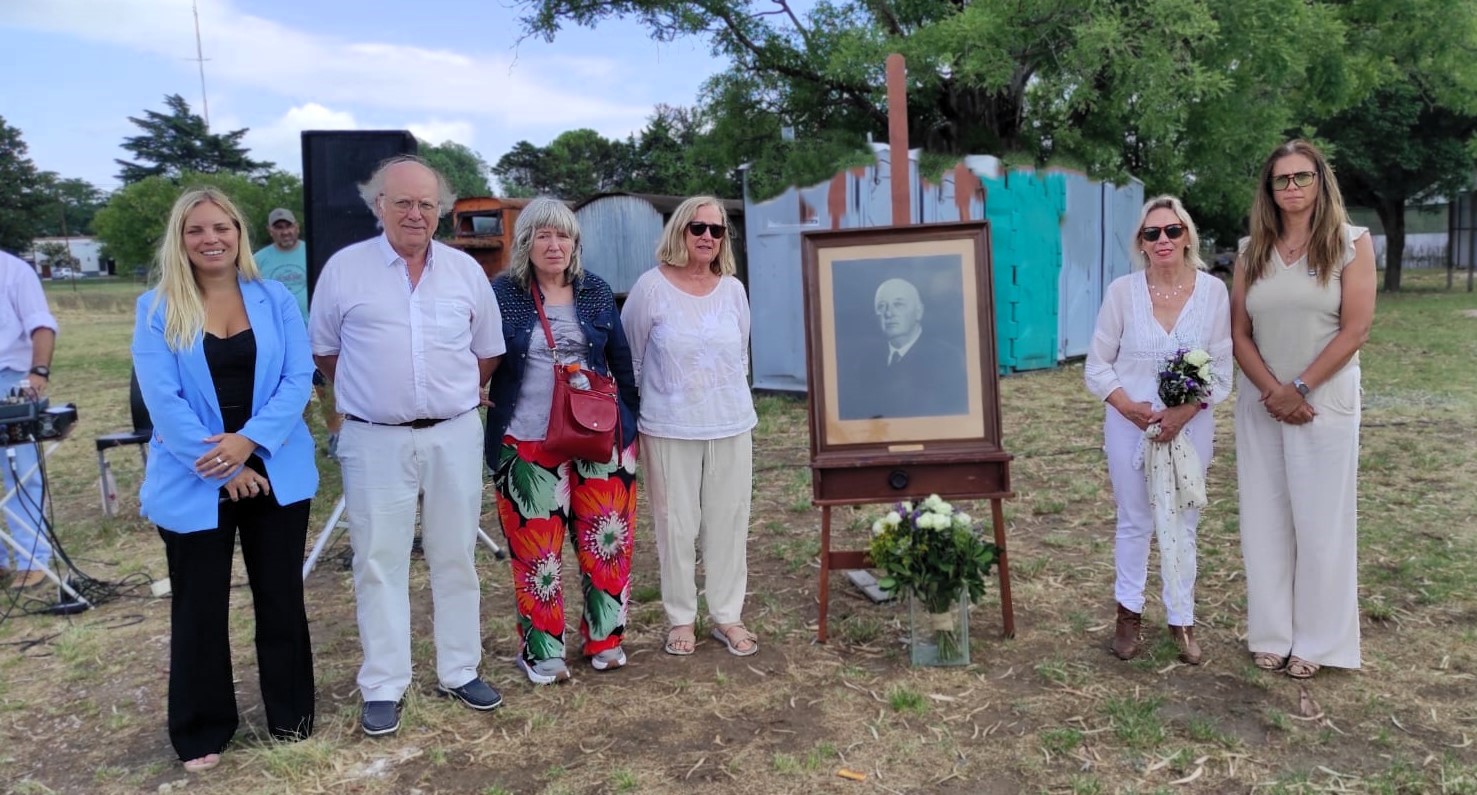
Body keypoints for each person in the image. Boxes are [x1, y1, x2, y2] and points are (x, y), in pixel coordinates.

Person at [309, 156, 506, 736]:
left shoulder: (465, 271)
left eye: (426, 204)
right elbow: (326, 353)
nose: (415, 214)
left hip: (453, 434)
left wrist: (451, 395)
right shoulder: (345, 271)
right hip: (375, 439)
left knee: (454, 554)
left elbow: (487, 350)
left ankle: (459, 668)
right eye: (403, 203)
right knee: (378, 561)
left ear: (439, 211)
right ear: (379, 207)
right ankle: (384, 684)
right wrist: (379, 393)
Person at [131, 188, 318, 772]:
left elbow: (298, 375)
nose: (211, 239)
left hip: (275, 467)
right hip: (197, 475)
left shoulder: (276, 298)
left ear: (239, 234)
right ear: (180, 241)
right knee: (199, 606)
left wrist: (250, 444)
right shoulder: (157, 306)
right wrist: (225, 466)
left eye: (222, 228)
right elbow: (161, 396)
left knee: (281, 599)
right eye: (196, 231)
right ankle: (201, 728)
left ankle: (291, 716)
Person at [1232, 140, 1375, 680]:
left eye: (1301, 177)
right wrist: (1274, 390)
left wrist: (1300, 387)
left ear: (1321, 181)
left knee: (1321, 523)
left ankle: (1318, 640)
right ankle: (1271, 631)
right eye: (1281, 180)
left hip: (1325, 402)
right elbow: (1239, 331)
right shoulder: (1252, 251)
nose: (1291, 188)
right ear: (1269, 190)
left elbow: (1356, 327)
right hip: (1262, 402)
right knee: (1265, 519)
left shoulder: (1351, 243)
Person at [485, 198, 640, 684]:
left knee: (607, 544)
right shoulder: (503, 293)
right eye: (542, 236)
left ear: (575, 243)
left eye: (563, 236)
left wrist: (628, 429)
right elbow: (482, 357)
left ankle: (606, 640)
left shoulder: (593, 290)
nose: (554, 245)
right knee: (538, 553)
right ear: (525, 242)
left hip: (600, 440)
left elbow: (622, 364)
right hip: (527, 442)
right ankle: (542, 650)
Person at [1084, 195, 1231, 665]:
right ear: (1141, 244)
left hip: (1191, 426)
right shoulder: (1122, 292)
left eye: (1172, 231)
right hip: (1131, 424)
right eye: (1153, 233)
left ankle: (1181, 618)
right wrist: (1128, 407)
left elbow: (1223, 369)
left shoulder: (1213, 293)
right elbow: (1096, 365)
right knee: (1134, 521)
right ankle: (1128, 614)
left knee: (1185, 519)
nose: (1163, 240)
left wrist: (1186, 411)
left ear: (1187, 236)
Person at [621, 196, 759, 657]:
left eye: (716, 230)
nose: (707, 237)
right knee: (676, 525)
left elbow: (741, 356)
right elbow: (632, 360)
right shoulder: (650, 288)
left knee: (729, 521)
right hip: (669, 425)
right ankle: (681, 616)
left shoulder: (733, 290)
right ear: (680, 230)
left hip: (730, 423)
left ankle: (726, 613)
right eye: (697, 227)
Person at [253, 208, 343, 456]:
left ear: (297, 227)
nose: (285, 232)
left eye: (288, 226)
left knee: (326, 389)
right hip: (280, 338)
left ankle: (335, 437)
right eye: (279, 227)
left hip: (316, 333)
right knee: (294, 390)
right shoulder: (259, 260)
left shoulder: (312, 252)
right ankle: (303, 439)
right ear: (270, 231)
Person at [0, 250, 58, 590]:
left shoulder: (14, 271)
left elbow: (42, 325)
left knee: (21, 474)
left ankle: (31, 559)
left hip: (9, 377)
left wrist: (38, 373)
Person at [840, 276, 967, 419]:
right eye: (881, 306)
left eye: (898, 304)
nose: (888, 313)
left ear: (919, 311)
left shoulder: (948, 359)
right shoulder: (863, 362)